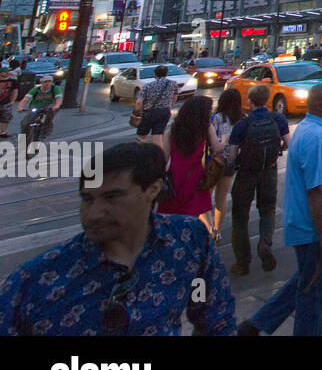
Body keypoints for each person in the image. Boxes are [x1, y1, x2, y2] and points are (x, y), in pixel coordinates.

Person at [0, 142, 236, 335]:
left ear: (153, 190)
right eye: (87, 199)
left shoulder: (190, 242)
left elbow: (213, 316)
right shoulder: (35, 281)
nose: (94, 214)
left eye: (112, 197)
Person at [239, 84, 322, 336]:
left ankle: (255, 326)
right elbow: (315, 191)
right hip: (311, 230)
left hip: (304, 225)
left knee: (305, 281)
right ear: (320, 105)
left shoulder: (310, 129)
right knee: (312, 297)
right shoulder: (315, 137)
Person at [226, 84, 290, 276]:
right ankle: (265, 242)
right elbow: (289, 143)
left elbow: (231, 154)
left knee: (240, 215)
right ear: (267, 100)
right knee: (268, 209)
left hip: (246, 173)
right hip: (268, 171)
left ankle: (243, 262)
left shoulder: (243, 124)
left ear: (251, 101)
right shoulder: (277, 119)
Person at [158, 95, 223, 234]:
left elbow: (163, 158)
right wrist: (227, 138)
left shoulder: (172, 131)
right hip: (195, 178)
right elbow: (217, 148)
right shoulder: (205, 128)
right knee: (192, 214)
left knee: (173, 216)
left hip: (175, 178)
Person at [210, 88, 243, 243]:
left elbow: (212, 141)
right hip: (231, 162)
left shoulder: (217, 118)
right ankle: (218, 230)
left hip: (214, 162)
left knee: (205, 195)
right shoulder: (243, 118)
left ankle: (209, 227)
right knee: (221, 197)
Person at [135, 64, 179, 146]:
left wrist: (139, 112)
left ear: (155, 74)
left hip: (148, 113)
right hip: (164, 112)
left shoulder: (148, 86)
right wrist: (169, 107)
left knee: (141, 137)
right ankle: (158, 156)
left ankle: (139, 154)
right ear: (166, 74)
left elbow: (139, 102)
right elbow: (175, 98)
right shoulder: (173, 84)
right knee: (157, 137)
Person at [17, 74, 62, 142]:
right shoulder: (35, 89)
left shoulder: (55, 88)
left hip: (49, 106)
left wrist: (57, 105)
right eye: (45, 81)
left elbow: (59, 98)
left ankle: (45, 131)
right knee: (25, 123)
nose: (47, 83)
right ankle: (24, 137)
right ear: (41, 82)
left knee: (49, 114)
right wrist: (20, 107)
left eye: (49, 81)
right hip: (36, 107)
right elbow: (25, 99)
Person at [0, 66, 18, 139]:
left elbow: (15, 91)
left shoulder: (13, 81)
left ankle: (2, 132)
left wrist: (13, 100)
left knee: (6, 118)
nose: (7, 73)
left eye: (8, 71)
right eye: (5, 72)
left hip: (6, 103)